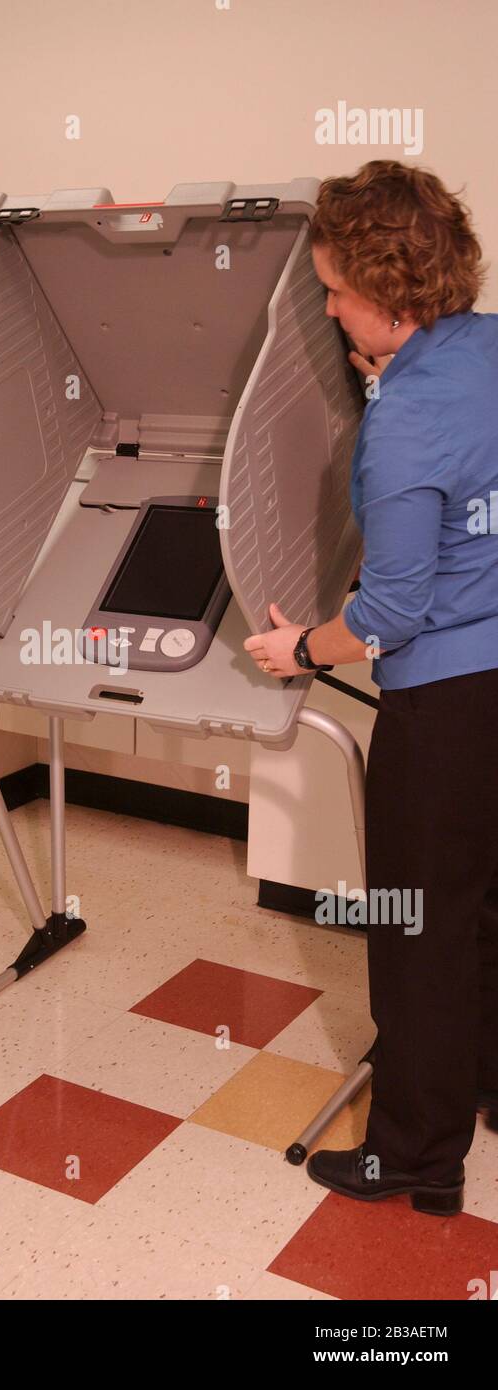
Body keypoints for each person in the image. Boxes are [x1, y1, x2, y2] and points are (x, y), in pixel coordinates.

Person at [243, 159, 498, 1216]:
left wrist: (300, 649)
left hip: (444, 707)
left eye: (335, 291)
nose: (327, 309)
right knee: (483, 908)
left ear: (390, 295)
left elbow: (386, 612)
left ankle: (415, 1157)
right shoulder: (486, 348)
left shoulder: (404, 421)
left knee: (416, 930)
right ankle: (484, 1082)